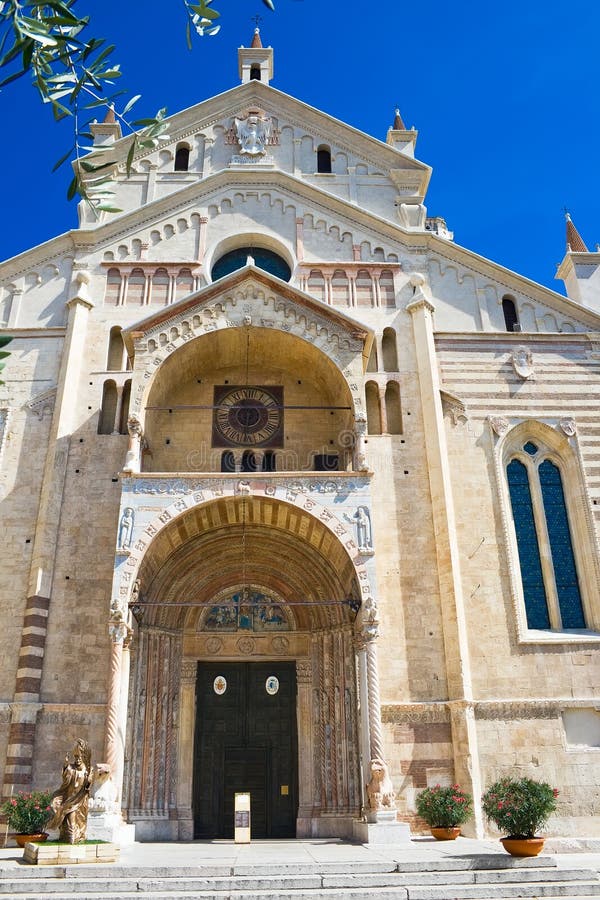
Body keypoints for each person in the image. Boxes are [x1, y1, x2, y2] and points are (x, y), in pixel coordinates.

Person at [47, 739, 92, 843]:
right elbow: (65, 778)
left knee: (79, 823)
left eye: (79, 757)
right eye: (76, 757)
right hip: (69, 800)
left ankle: (75, 839)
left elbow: (87, 788)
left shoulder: (88, 771)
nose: (77, 759)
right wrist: (66, 765)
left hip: (80, 802)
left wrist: (89, 781)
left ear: (84, 757)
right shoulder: (71, 768)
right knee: (70, 822)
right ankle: (70, 840)